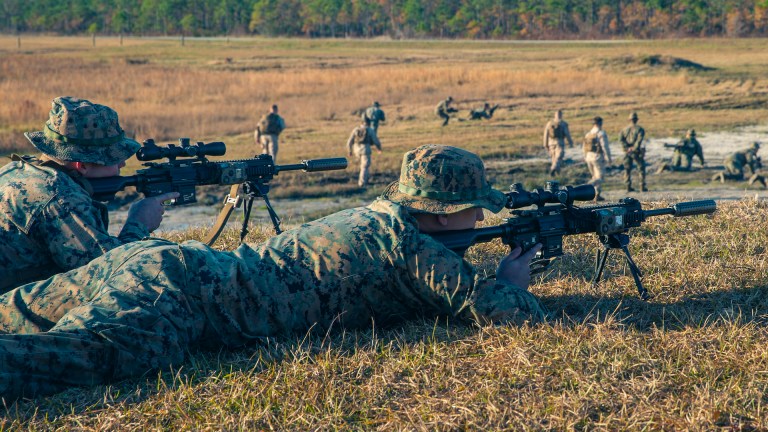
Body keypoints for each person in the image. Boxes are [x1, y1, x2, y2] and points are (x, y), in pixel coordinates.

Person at [0, 144, 546, 400]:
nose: (482, 218)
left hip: (155, 261)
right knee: (84, 357)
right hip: (182, 297)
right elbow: (507, 316)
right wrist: (514, 285)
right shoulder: (411, 249)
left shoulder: (378, 218)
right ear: (444, 211)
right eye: (477, 209)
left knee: (16, 311)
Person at [0, 96, 177, 294]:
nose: (122, 165)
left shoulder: (16, 170)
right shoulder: (61, 199)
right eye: (114, 159)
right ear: (81, 165)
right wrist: (138, 224)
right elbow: (112, 274)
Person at [582, 116, 613, 202]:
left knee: (594, 176)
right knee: (599, 177)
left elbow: (584, 147)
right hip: (597, 157)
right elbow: (605, 146)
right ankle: (588, 185)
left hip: (589, 156)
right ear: (600, 123)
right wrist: (608, 158)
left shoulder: (588, 134)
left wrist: (585, 157)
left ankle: (596, 194)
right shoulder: (601, 133)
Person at [346, 119, 382, 187]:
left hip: (356, 149)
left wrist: (349, 151)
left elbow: (349, 141)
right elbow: (376, 141)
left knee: (361, 166)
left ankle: (363, 179)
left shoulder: (356, 129)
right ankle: (362, 183)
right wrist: (379, 148)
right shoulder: (369, 130)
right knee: (365, 167)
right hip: (365, 150)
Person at [619, 112, 647, 192]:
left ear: (629, 120)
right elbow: (639, 140)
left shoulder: (624, 130)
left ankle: (628, 186)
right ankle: (642, 186)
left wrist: (626, 148)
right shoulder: (640, 129)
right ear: (636, 120)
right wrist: (634, 148)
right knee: (641, 168)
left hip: (627, 151)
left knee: (627, 169)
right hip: (636, 151)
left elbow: (621, 140)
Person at [542, 110, 575, 177]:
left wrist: (545, 144)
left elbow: (546, 134)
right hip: (559, 142)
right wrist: (570, 142)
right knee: (559, 157)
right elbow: (567, 134)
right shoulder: (563, 124)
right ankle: (553, 168)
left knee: (554, 158)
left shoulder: (549, 123)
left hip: (551, 143)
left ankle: (556, 175)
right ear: (561, 115)